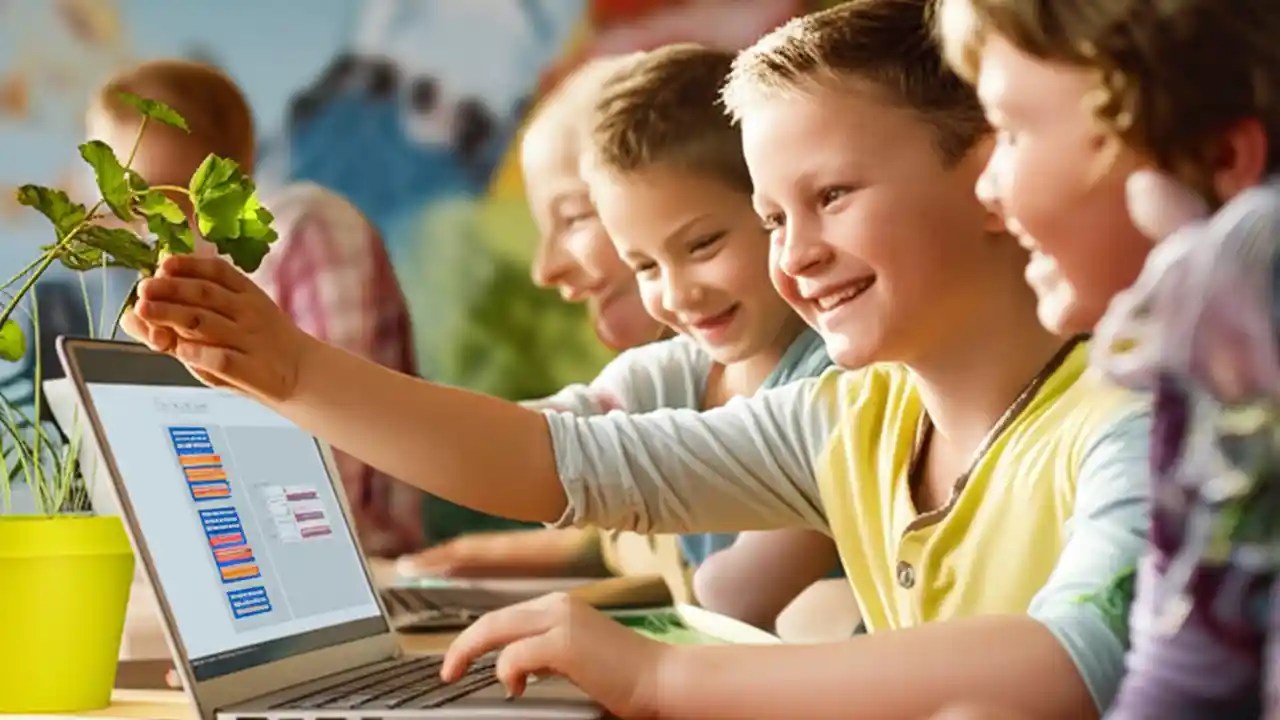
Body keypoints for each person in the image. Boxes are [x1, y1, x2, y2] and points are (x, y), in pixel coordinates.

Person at [121, 1, 1150, 717]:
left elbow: (1063, 662)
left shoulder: (1135, 418)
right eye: (769, 217)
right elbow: (558, 463)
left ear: (986, 179)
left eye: (831, 196)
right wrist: (290, 372)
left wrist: (663, 681)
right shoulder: (853, 416)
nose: (793, 255)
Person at [408, 46, 849, 631]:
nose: (678, 293)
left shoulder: (838, 383)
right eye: (643, 266)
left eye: (702, 246)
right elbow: (537, 435)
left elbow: (733, 596)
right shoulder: (670, 372)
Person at [936, 0, 1280, 717]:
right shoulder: (1202, 384)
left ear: (1219, 157)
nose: (987, 189)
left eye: (1009, 131)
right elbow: (1188, 676)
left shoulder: (1235, 338)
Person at [87, 59, 424, 556]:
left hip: (359, 560)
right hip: (242, 558)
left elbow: (339, 456)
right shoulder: (160, 278)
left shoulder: (306, 228)